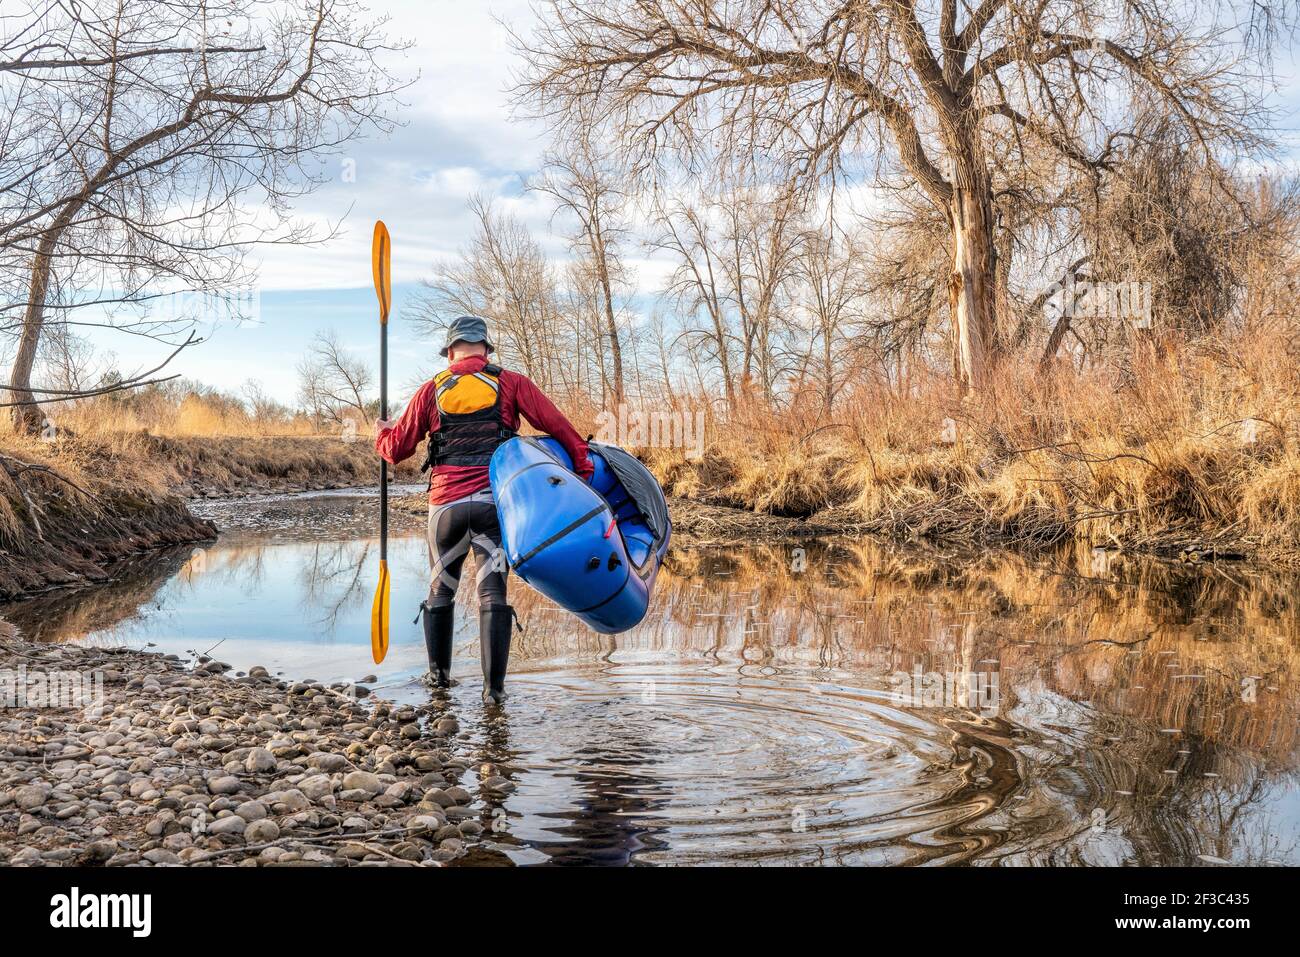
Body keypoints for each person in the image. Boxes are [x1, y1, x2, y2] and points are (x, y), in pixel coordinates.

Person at [374, 315, 593, 703]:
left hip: (445, 511)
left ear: (450, 352)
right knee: (492, 593)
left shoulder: (431, 390)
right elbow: (558, 426)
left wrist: (382, 433)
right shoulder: (511, 382)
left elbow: (396, 450)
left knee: (441, 589)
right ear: (486, 348)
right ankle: (494, 693)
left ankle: (438, 684)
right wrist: (583, 465)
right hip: (494, 507)